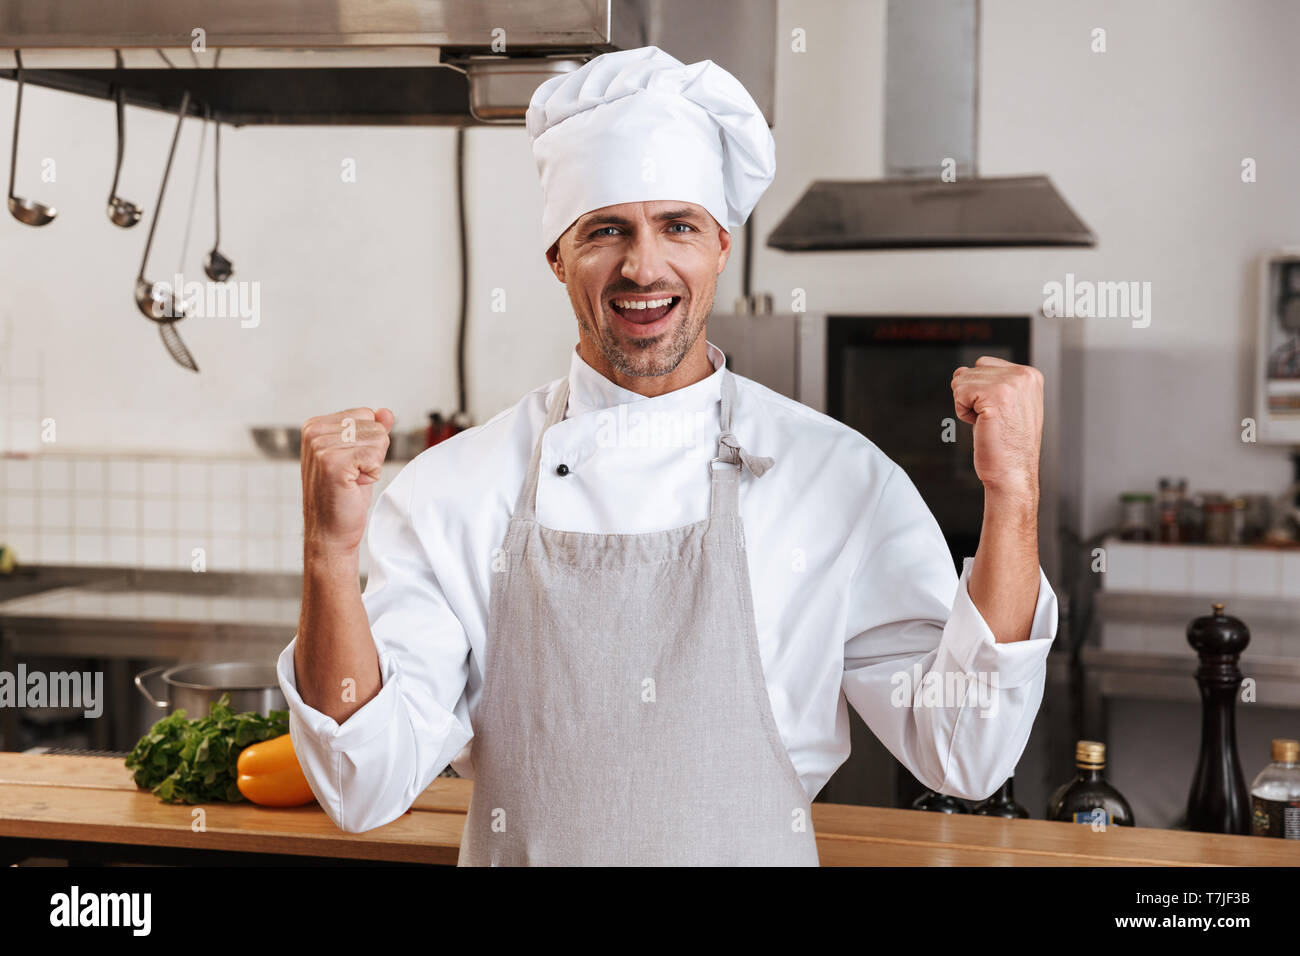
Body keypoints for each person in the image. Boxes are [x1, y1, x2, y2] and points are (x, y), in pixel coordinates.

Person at [278, 46, 1057, 866]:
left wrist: (1015, 495)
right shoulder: (456, 488)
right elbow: (363, 786)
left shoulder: (837, 481)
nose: (643, 266)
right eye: (605, 229)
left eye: (677, 226)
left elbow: (966, 751)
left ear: (721, 244)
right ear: (556, 257)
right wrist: (328, 553)